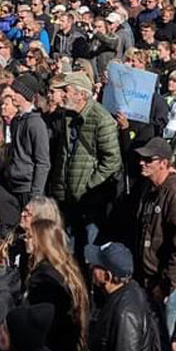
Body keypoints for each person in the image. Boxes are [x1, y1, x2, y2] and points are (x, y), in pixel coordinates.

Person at [47, 72, 122, 254]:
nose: (62, 94)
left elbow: (112, 160)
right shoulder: (66, 116)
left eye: (67, 90)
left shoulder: (101, 120)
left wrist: (89, 184)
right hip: (65, 196)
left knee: (85, 251)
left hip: (88, 201)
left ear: (80, 95)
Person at [134, 137, 176, 334]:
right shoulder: (149, 189)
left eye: (149, 160)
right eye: (141, 158)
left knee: (167, 343)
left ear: (164, 163)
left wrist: (166, 286)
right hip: (150, 281)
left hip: (172, 288)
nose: (142, 163)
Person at [85, 241, 166, 351]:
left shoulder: (125, 314)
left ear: (107, 276)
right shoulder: (128, 290)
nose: (91, 267)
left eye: (96, 265)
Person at [23, 218, 88, 351]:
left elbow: (38, 323)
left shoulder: (43, 279)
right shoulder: (66, 271)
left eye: (29, 236)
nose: (25, 239)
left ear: (41, 242)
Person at [2, 74, 52, 204]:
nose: (12, 95)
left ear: (26, 95)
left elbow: (42, 162)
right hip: (13, 185)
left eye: (17, 92)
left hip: (27, 188)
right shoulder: (16, 121)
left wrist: (36, 194)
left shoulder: (36, 123)